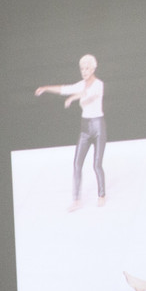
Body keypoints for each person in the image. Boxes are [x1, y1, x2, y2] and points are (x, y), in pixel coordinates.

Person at [34, 54, 107, 209]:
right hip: (85, 128)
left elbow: (87, 94)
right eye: (82, 68)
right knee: (77, 163)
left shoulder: (98, 84)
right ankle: (76, 199)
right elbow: (64, 89)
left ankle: (101, 194)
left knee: (96, 164)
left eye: (87, 68)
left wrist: (72, 98)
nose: (84, 71)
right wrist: (46, 88)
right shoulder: (81, 84)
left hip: (98, 126)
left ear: (93, 68)